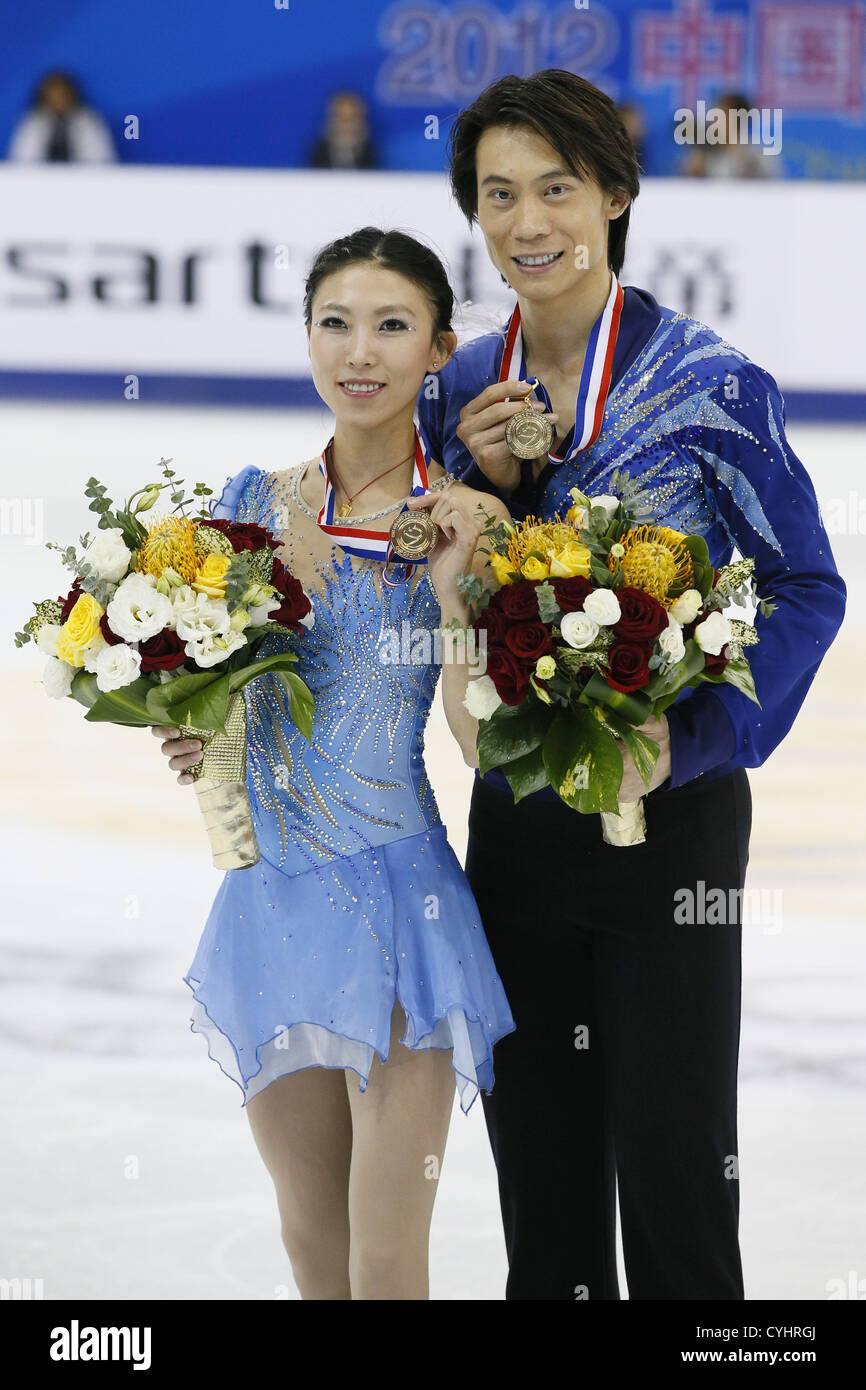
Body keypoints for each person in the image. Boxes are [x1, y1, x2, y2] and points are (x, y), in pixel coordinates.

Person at [411, 69, 846, 1300]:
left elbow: (803, 586)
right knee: (539, 1182)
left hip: (672, 831)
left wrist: (687, 742)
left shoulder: (712, 386)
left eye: (555, 186)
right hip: (517, 830)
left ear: (612, 193)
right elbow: (423, 582)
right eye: (497, 195)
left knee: (674, 1181)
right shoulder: (457, 391)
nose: (526, 220)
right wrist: (485, 489)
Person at [152, 227, 515, 1300]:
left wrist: (455, 597)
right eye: (335, 323)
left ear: (439, 347)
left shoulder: (465, 517)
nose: (360, 351)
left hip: (400, 908)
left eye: (391, 326)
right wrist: (193, 725)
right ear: (306, 334)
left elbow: (481, 743)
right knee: (310, 1249)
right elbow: (227, 683)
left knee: (385, 1256)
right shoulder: (252, 502)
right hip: (269, 901)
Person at [7, 71, 116, 163]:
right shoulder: (32, 121)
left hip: (82, 182)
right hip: (38, 181)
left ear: (72, 95)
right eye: (52, 96)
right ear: (43, 97)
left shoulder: (88, 120)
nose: (58, 100)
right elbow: (20, 158)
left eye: (62, 95)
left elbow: (101, 158)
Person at [309, 91, 377, 169]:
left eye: (351, 118)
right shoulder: (319, 153)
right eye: (342, 118)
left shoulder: (372, 154)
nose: (346, 126)